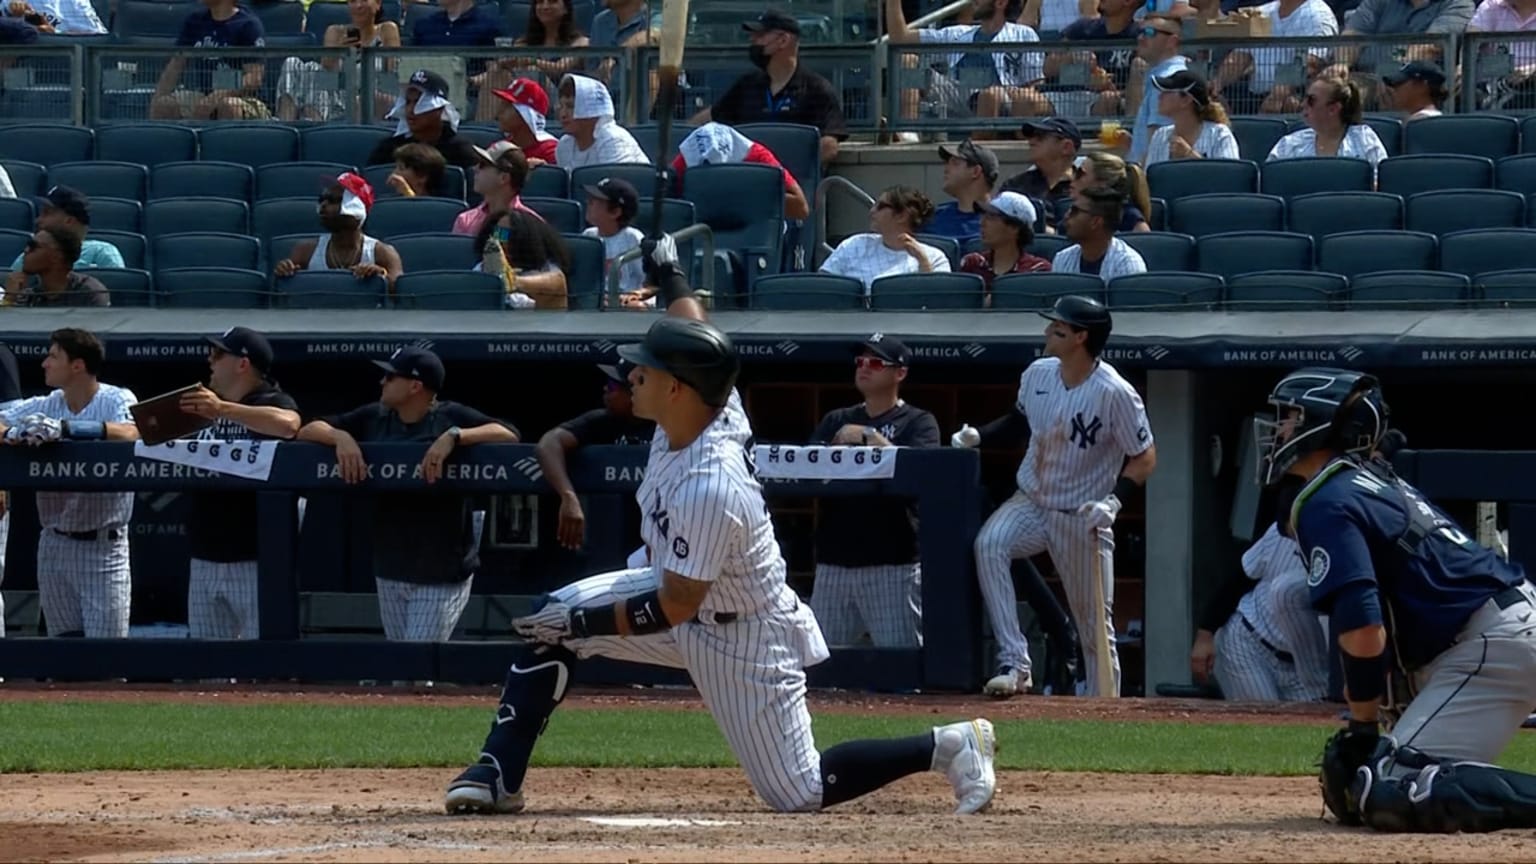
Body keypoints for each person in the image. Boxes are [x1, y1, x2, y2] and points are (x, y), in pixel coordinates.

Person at [444, 235, 997, 818]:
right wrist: (671, 272)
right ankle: (497, 771)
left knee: (798, 790)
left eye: (645, 371)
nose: (632, 376)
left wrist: (586, 621)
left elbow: (676, 605)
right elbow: (697, 328)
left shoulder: (713, 483)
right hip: (675, 589)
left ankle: (951, 744)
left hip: (740, 632)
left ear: (677, 387)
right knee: (549, 620)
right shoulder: (705, 404)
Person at [1257, 368, 1536, 833]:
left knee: (1393, 784)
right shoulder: (1359, 479)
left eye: (1290, 416)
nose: (1279, 428)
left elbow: (1364, 628)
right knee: (1389, 777)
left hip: (1489, 644)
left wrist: (1363, 726)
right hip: (1496, 633)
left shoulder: (1328, 497)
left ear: (1321, 425)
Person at [950, 295, 1156, 697]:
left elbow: (1145, 456)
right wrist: (981, 435)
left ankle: (1106, 712)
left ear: (1080, 337)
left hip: (1081, 514)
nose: (1048, 331)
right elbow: (1019, 420)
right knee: (989, 545)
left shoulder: (1115, 392)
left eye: (1058, 328)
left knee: (1094, 625)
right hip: (1031, 501)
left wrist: (1113, 501)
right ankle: (1016, 663)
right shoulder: (1039, 373)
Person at [298, 347, 519, 642]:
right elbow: (308, 429)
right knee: (402, 668)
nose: (382, 382)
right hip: (391, 563)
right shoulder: (375, 417)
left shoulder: (449, 416)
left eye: (390, 377)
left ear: (415, 386)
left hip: (442, 569)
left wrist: (455, 436)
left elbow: (508, 433)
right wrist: (341, 436)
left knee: (417, 665)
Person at [0, 328, 139, 638]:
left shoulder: (116, 397)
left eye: (52, 356)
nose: (44, 363)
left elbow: (132, 432)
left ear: (77, 365)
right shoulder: (48, 403)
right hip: (54, 544)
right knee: (62, 650)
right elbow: (2, 417)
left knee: (106, 659)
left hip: (104, 547)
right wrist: (11, 434)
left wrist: (69, 429)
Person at [810, 334, 939, 648]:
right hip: (834, 562)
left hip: (892, 564)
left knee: (903, 669)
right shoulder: (837, 420)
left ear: (900, 373)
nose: (864, 368)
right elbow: (811, 473)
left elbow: (920, 477)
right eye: (861, 362)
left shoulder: (919, 422)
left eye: (876, 362)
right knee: (819, 668)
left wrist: (869, 436)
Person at [180, 327, 301, 640]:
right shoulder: (202, 404)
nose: (210, 360)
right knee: (207, 671)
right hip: (205, 554)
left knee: (260, 667)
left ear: (243, 364)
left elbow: (288, 424)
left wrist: (221, 409)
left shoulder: (271, 398)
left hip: (255, 560)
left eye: (218, 354)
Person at [1189, 516, 1330, 702]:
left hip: (1303, 664)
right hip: (1251, 642)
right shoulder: (1279, 535)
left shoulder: (1348, 544)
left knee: (1315, 726)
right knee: (1263, 724)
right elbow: (1237, 581)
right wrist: (1205, 635)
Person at [696, 10, 849, 166]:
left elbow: (829, 145)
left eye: (760, 36)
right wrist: (684, 134)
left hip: (789, 184)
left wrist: (789, 172)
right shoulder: (747, 85)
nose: (752, 40)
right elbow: (712, 116)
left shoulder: (816, 89)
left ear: (783, 40)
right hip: (747, 177)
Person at [537, 362, 655, 551]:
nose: (606, 388)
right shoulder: (605, 421)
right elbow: (549, 443)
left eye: (613, 385)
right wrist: (568, 497)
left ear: (635, 392)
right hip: (615, 535)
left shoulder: (668, 425)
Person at [883, 0, 1050, 124]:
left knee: (990, 95)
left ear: (1000, 2)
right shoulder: (957, 33)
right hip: (959, 95)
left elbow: (1035, 85)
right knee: (908, 60)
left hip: (1001, 100)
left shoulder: (1023, 34)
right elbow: (900, 38)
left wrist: (1010, 93)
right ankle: (907, 130)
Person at [274, 173, 403, 292]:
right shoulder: (305, 251)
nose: (323, 205)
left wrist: (381, 276)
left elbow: (399, 290)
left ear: (357, 209)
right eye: (322, 199)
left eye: (334, 200)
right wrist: (284, 271)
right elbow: (284, 293)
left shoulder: (383, 253)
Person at [819, 185, 950, 294]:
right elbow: (823, 286)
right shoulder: (854, 244)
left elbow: (938, 301)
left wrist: (923, 262)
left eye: (880, 206)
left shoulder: (934, 257)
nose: (872, 211)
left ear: (902, 215)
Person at [151, 0, 269, 120]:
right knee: (165, 104)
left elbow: (254, 77)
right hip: (204, 95)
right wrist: (156, 101)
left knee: (228, 105)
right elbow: (176, 65)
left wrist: (217, 96)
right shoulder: (195, 21)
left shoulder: (248, 24)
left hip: (244, 99)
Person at [667, 123, 810, 221]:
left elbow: (801, 207)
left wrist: (740, 195)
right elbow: (666, 204)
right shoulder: (687, 159)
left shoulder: (757, 156)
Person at [367, 69, 482, 173]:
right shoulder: (388, 149)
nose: (410, 110)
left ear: (439, 109)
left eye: (419, 103)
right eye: (408, 102)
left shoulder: (461, 151)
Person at [1267, 75, 1389, 166]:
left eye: (1311, 100)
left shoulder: (1364, 139)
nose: (1303, 104)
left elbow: (1379, 182)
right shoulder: (1290, 144)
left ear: (1333, 109)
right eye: (1304, 98)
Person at [7, 186, 122, 273]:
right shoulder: (29, 255)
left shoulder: (101, 252)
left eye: (46, 213)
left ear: (69, 221)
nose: (38, 220)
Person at [959, 192, 1052, 299]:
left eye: (991, 217)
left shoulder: (1037, 271)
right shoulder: (972, 263)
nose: (982, 222)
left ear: (1014, 227)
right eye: (984, 216)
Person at [1121, 16, 1187, 165]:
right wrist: (1132, 143)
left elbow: (1158, 145)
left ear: (1172, 41)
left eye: (1150, 32)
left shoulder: (1166, 80)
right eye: (1140, 32)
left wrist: (1137, 179)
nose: (1141, 37)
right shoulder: (1163, 75)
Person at [476, 208, 570, 309]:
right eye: (498, 233)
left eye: (505, 233)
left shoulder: (545, 269)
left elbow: (559, 282)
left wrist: (512, 282)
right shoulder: (485, 266)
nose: (499, 240)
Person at [554, 73, 650, 170]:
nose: (563, 114)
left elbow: (615, 184)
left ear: (591, 109)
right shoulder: (564, 145)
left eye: (571, 107)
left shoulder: (613, 140)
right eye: (561, 106)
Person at [1143, 71, 1239, 166]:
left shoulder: (1219, 135)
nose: (1160, 96)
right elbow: (1150, 178)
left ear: (1186, 100)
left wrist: (1189, 155)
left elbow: (1230, 177)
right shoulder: (1160, 136)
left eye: (1167, 92)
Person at [1051, 187, 1147, 280]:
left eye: (1075, 211)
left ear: (1096, 222)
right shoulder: (1062, 259)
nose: (1067, 216)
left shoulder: (1128, 265)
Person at [454, 141, 544, 237]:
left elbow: (496, 248)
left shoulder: (532, 225)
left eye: (483, 165)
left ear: (504, 178)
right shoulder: (465, 221)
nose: (475, 169)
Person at [581, 177, 647, 306]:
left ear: (615, 212)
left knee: (636, 307)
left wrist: (634, 296)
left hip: (624, 302)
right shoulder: (588, 235)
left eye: (595, 201)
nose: (588, 203)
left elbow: (648, 281)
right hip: (596, 300)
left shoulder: (633, 238)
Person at [2, 226, 109, 307]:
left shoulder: (89, 293)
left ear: (56, 256)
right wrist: (9, 299)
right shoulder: (27, 295)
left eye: (33, 247)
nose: (26, 251)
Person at [1055, 152, 1150, 234]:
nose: (1072, 178)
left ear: (1103, 183)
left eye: (1080, 173)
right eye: (1074, 171)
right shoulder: (1072, 212)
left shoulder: (1130, 218)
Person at [927, 139, 999, 242]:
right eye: (947, 163)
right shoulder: (932, 218)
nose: (946, 169)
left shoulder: (1000, 223)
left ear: (976, 171)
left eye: (955, 163)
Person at [1001, 117, 1079, 206]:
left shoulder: (1086, 187)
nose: (1031, 141)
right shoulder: (1015, 186)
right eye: (1031, 136)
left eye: (1041, 137)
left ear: (1066, 147)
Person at [491, 78, 559, 165]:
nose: (499, 112)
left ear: (526, 116)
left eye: (507, 106)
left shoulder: (551, 151)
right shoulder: (499, 149)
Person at [1383, 60, 1447, 120]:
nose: (1394, 89)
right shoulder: (1430, 119)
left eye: (1399, 83)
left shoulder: (1420, 122)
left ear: (1421, 86)